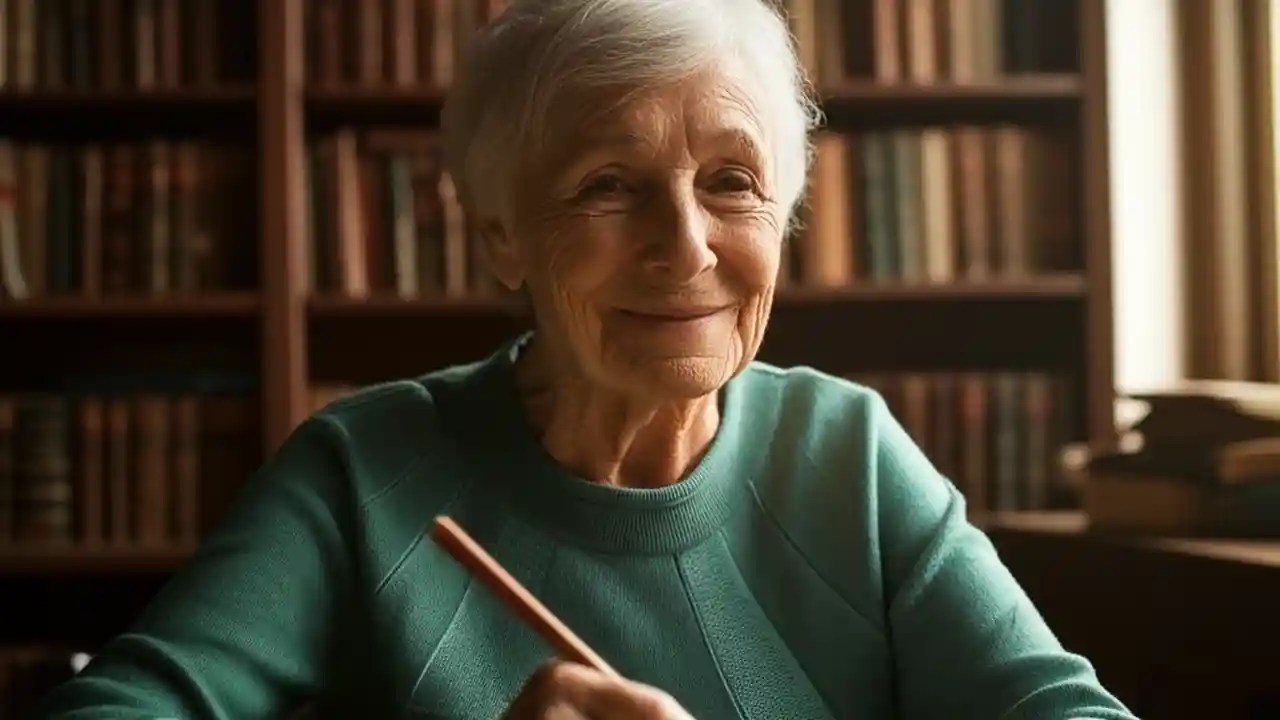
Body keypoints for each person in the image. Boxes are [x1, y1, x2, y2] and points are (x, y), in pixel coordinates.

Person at [34, 0, 1137, 717]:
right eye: (608, 185)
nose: (686, 246)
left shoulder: (846, 453)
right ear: (501, 234)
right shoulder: (361, 471)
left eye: (731, 182)